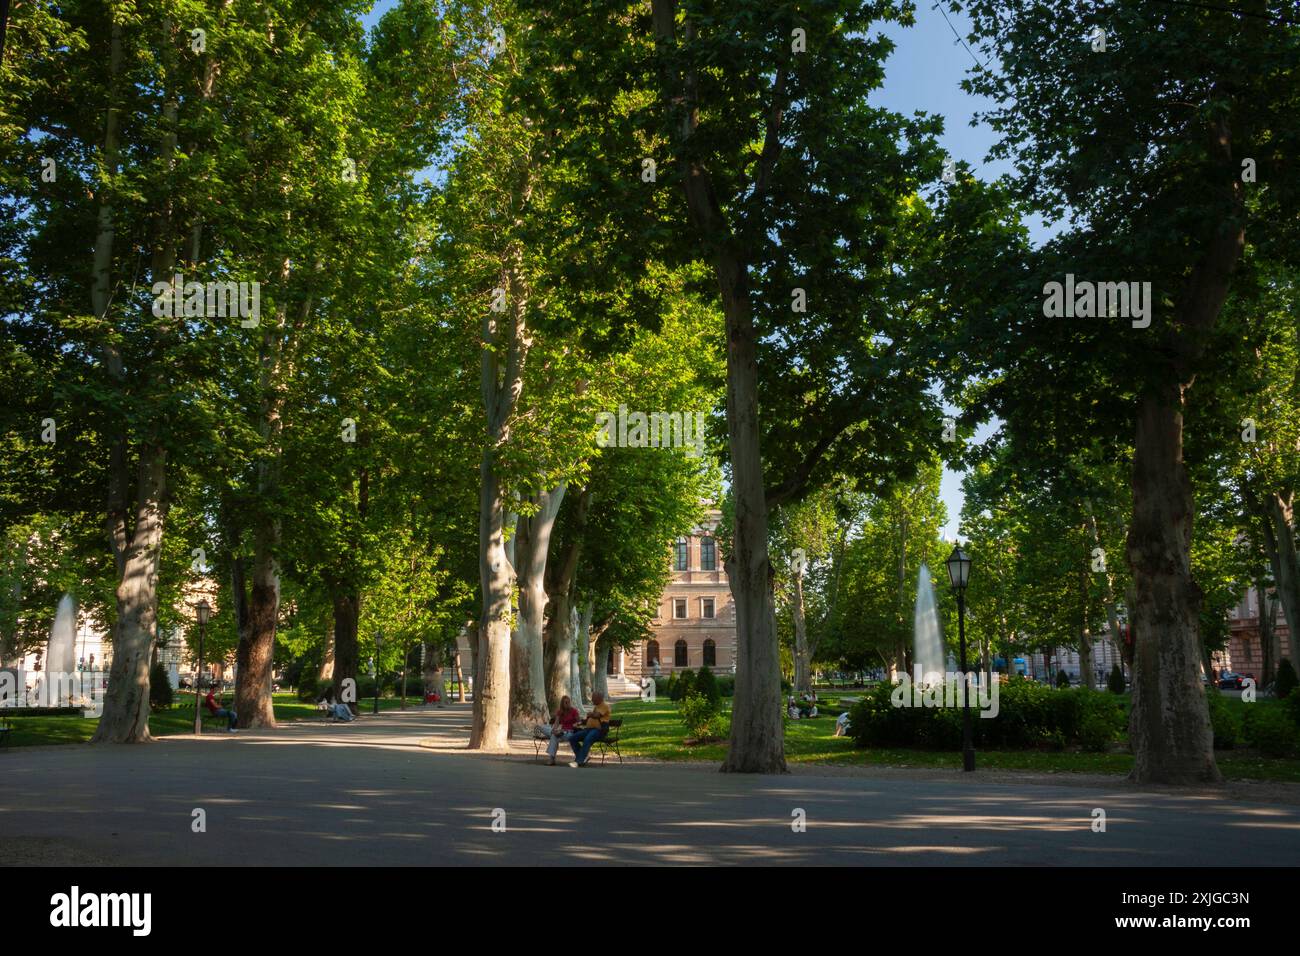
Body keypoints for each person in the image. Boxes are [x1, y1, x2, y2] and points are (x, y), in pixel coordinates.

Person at [567, 691, 611, 767]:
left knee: (588, 739)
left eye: (593, 698)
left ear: (599, 698)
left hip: (599, 730)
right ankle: (583, 757)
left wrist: (590, 714)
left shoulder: (605, 706)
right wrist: (582, 722)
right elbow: (590, 718)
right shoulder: (596, 707)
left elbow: (597, 716)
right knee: (572, 738)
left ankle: (579, 761)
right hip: (588, 729)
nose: (592, 700)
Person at [537, 695, 581, 765]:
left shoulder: (574, 711)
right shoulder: (560, 712)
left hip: (570, 732)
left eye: (568, 702)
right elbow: (556, 723)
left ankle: (551, 759)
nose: (567, 704)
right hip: (561, 731)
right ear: (562, 704)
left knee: (554, 736)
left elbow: (579, 722)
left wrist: (576, 724)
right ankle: (552, 759)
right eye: (565, 702)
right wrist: (555, 730)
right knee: (550, 733)